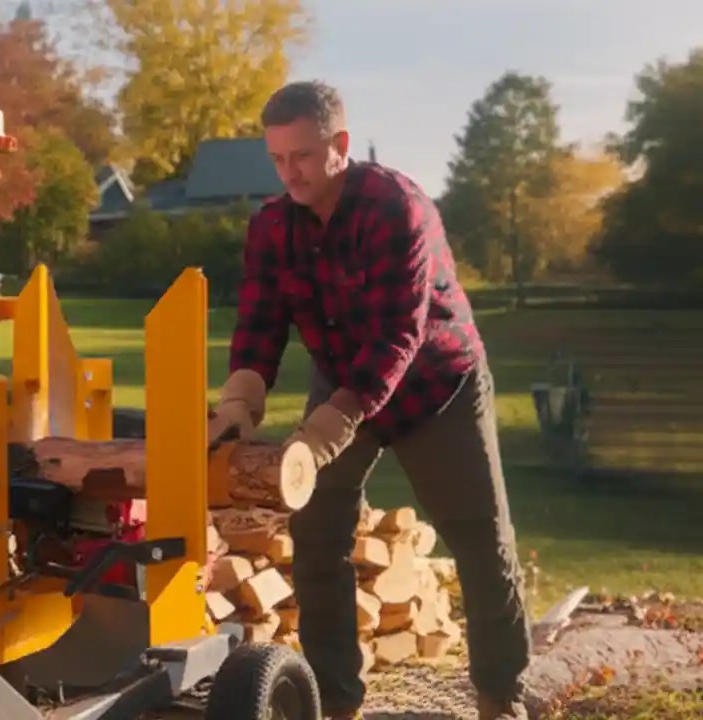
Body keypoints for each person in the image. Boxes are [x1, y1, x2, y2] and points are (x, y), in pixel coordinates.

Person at [207, 80, 532, 720]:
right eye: (276, 159)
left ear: (339, 145)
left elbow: (397, 337)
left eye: (300, 156)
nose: (288, 173)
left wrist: (327, 429)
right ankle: (336, 702)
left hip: (437, 383)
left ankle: (501, 697)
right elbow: (259, 322)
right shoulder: (274, 227)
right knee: (317, 529)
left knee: (480, 536)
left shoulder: (396, 207)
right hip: (344, 373)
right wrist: (240, 400)